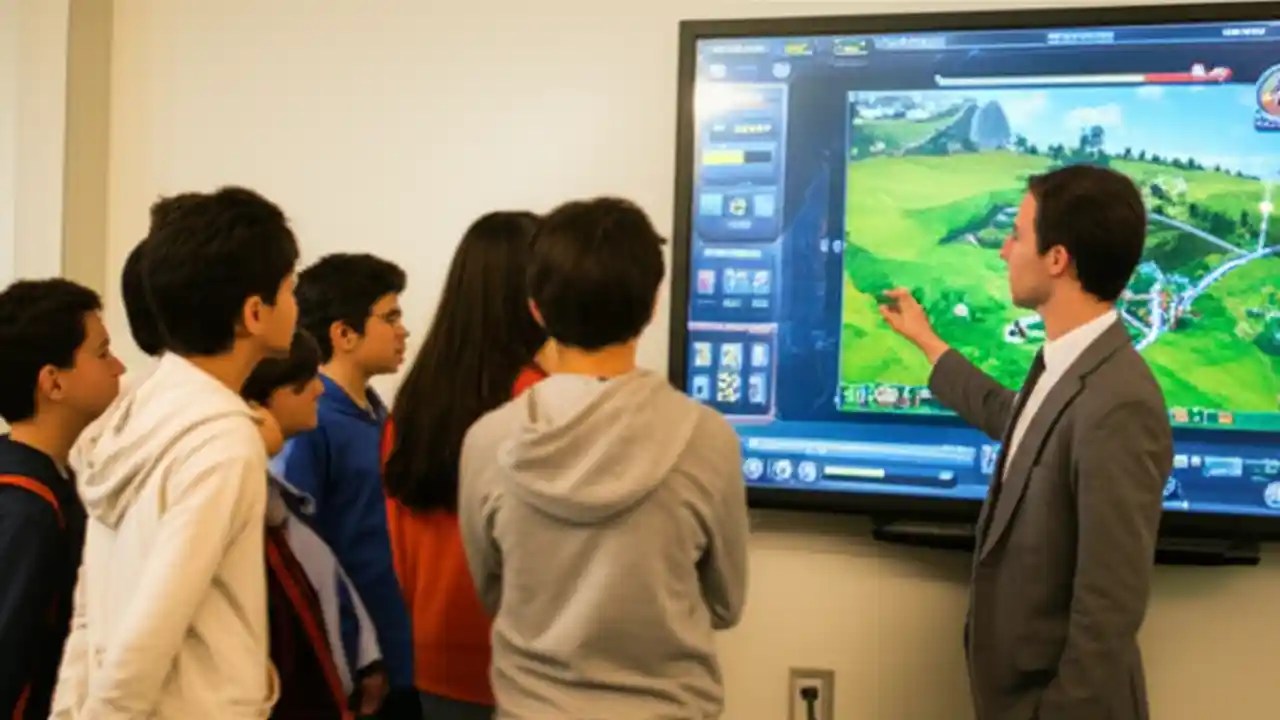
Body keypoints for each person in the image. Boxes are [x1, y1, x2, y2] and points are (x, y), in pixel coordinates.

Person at [879, 164, 1173, 720]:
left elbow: (1108, 612)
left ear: (1057, 260)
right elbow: (1012, 419)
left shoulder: (1121, 402)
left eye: (1016, 235)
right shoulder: (1067, 364)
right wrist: (927, 342)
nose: (1003, 251)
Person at [457, 197, 750, 719]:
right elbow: (726, 604)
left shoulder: (487, 439)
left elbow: (492, 592)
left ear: (536, 309)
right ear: (653, 304)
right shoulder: (708, 438)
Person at [51, 187, 300, 718]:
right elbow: (152, 624)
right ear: (255, 313)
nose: (297, 304)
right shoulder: (223, 440)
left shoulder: (133, 411)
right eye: (290, 289)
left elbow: (90, 612)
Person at [381, 211, 549, 720]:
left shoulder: (414, 400)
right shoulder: (539, 403)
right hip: (524, 662)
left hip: (432, 657)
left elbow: (400, 545)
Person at [275, 253, 416, 715]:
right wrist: (359, 658)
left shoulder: (377, 414)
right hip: (359, 661)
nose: (404, 331)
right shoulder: (311, 425)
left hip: (400, 647)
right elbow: (305, 558)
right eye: (390, 317)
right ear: (344, 334)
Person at [242, 330, 390, 719]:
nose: (318, 392)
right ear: (258, 403)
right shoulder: (250, 504)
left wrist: (367, 658)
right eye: (301, 384)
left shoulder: (280, 500)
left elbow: (327, 581)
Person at [0, 280, 124, 720]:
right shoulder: (27, 507)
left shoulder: (52, 480)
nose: (120, 367)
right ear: (53, 382)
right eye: (103, 352)